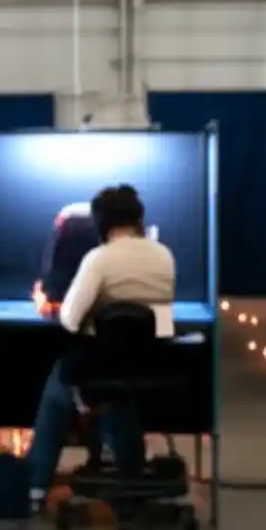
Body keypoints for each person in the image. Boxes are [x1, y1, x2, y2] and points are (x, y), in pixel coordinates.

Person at [24, 184, 175, 512]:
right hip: (152, 364)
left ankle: (35, 486)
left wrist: (52, 302)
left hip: (102, 368)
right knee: (121, 396)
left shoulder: (99, 259)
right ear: (140, 219)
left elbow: (69, 319)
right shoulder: (164, 255)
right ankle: (129, 475)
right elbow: (163, 319)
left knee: (58, 387)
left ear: (101, 224)